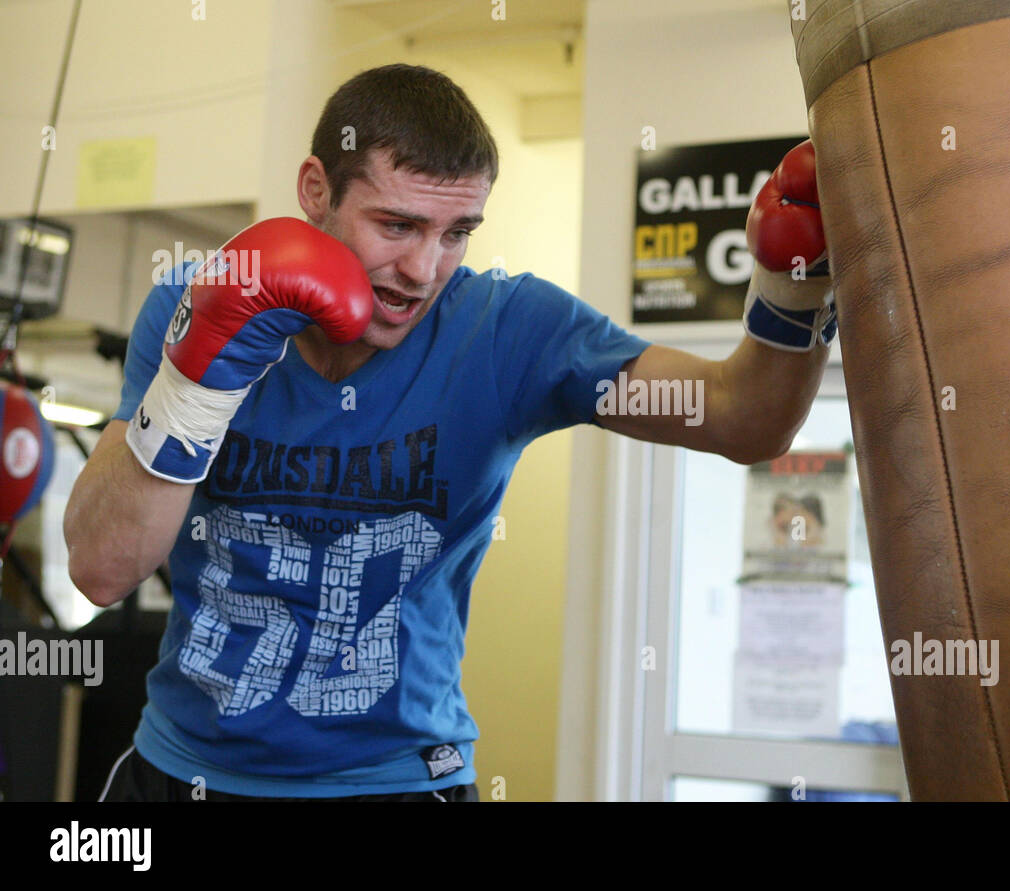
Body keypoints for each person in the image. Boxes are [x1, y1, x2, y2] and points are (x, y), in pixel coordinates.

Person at [63, 64, 835, 802]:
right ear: (315, 190)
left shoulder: (506, 332)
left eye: (457, 232)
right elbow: (102, 568)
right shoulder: (194, 304)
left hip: (398, 783)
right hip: (182, 772)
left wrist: (790, 292)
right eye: (397, 224)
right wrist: (197, 384)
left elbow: (741, 415)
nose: (424, 269)